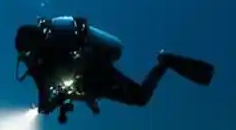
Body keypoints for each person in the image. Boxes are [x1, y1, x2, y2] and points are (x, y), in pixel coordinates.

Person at [14, 15, 215, 123]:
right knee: (140, 98)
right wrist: (47, 105)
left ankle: (166, 62)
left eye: (27, 55)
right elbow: (54, 88)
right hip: (93, 81)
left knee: (141, 97)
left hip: (99, 74)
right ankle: (166, 63)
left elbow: (67, 78)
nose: (27, 62)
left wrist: (47, 105)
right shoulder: (45, 63)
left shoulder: (54, 52)